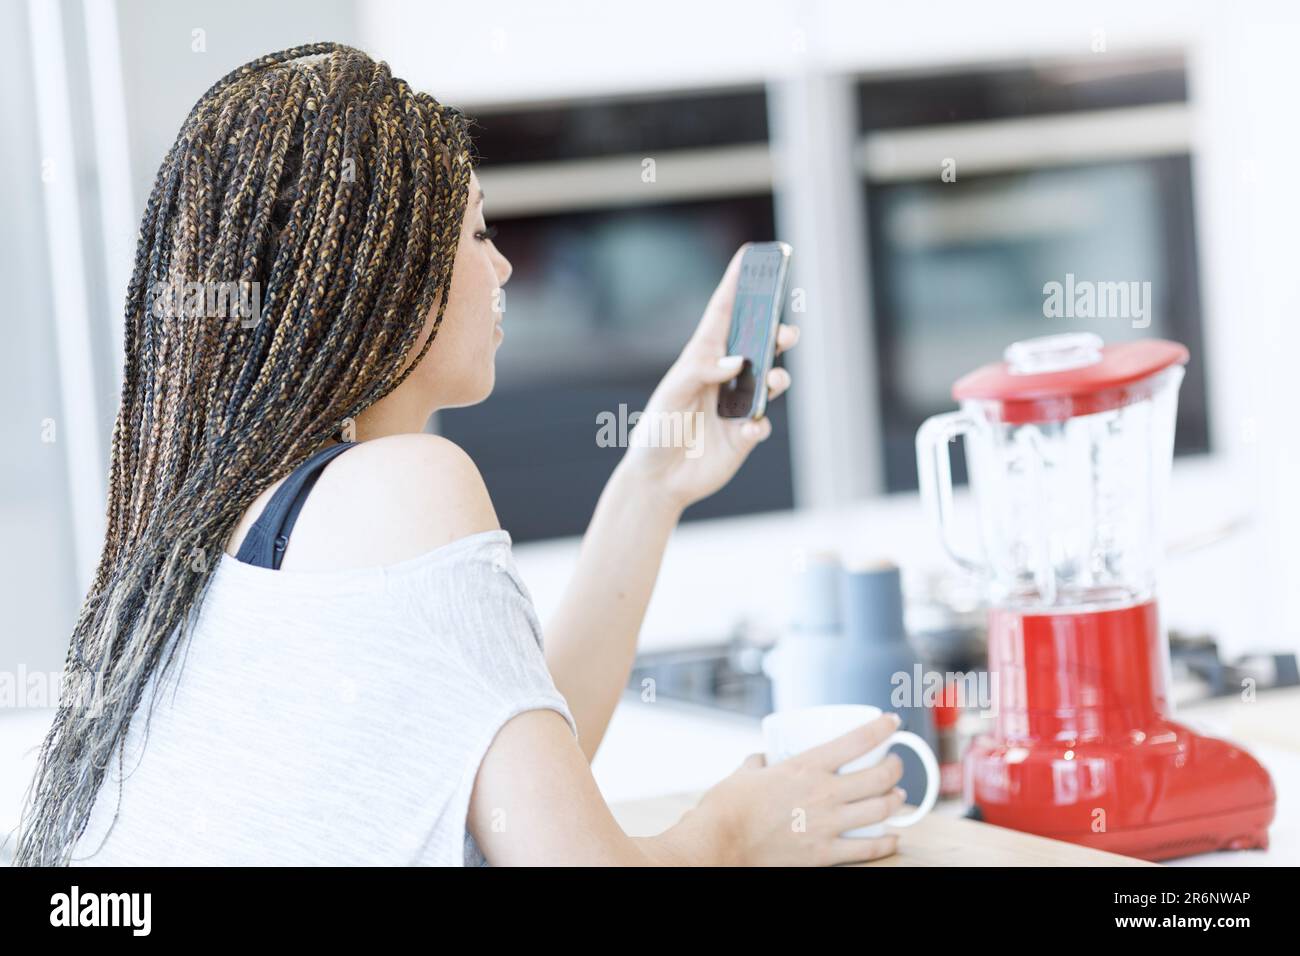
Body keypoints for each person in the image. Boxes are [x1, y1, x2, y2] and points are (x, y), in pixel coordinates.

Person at [15, 43, 906, 867]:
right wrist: (735, 832)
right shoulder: (403, 485)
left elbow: (514, 776)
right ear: (387, 277)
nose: (506, 269)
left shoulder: (237, 518)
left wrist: (652, 481)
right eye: (479, 233)